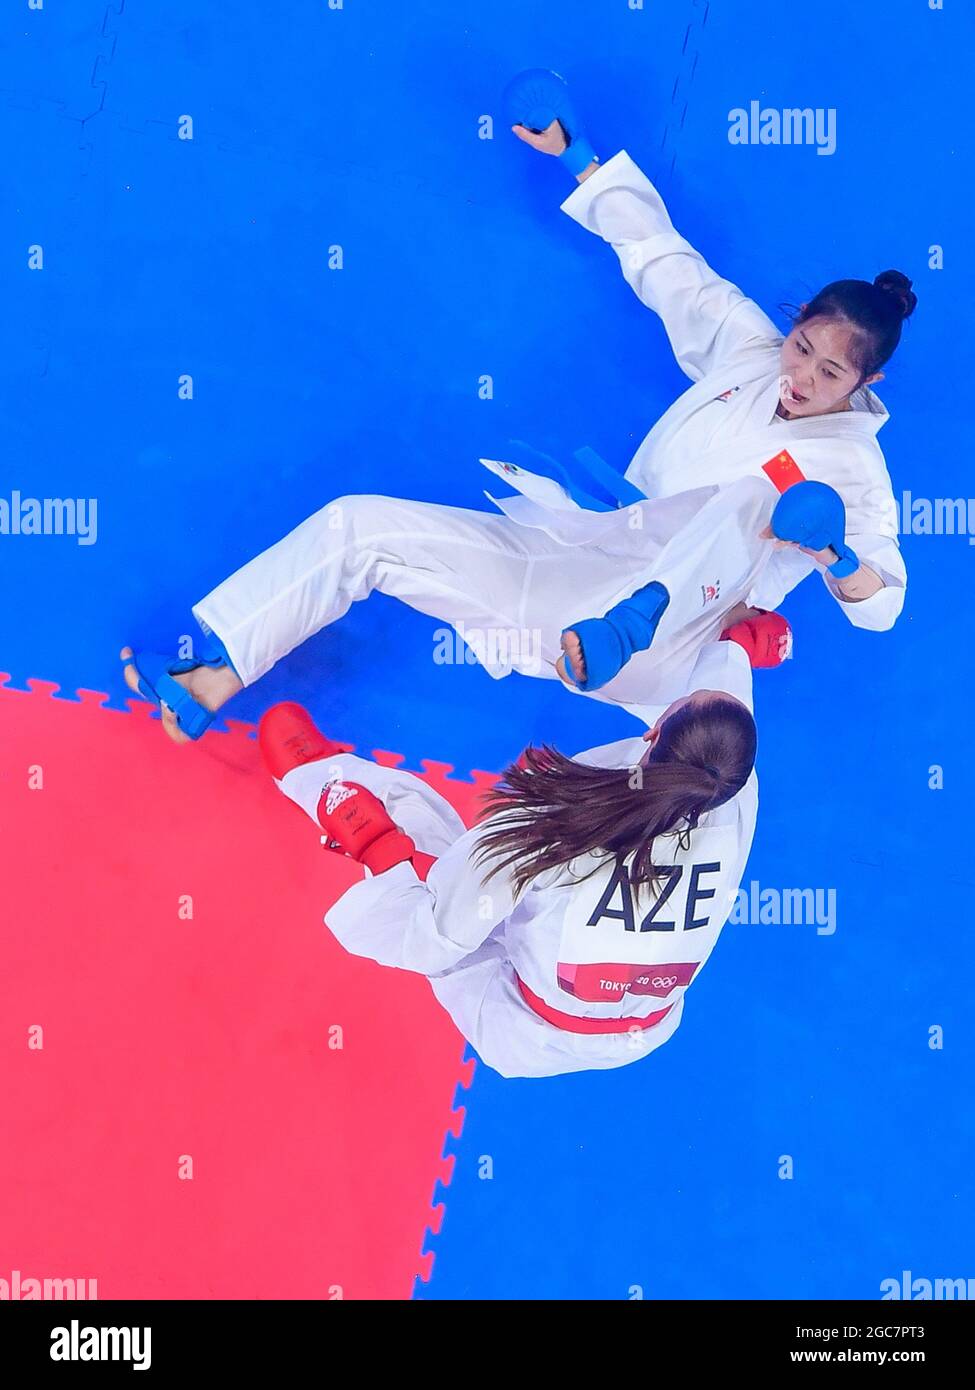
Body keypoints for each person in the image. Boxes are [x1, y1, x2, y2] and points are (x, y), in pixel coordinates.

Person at [504, 67, 912, 677]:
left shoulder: (856, 473)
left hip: (693, 625)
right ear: (796, 321)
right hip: (606, 546)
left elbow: (884, 609)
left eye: (830, 374)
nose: (802, 376)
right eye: (800, 347)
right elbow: (665, 260)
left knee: (750, 501)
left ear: (865, 385)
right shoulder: (750, 349)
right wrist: (575, 154)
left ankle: (643, 632)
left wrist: (837, 556)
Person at [257, 635, 759, 1080]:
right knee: (509, 889)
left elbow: (434, 942)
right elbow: (726, 712)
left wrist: (379, 848)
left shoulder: (552, 825)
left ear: (653, 733)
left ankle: (317, 778)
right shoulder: (735, 790)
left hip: (519, 1023)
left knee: (427, 834)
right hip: (648, 1029)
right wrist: (738, 641)